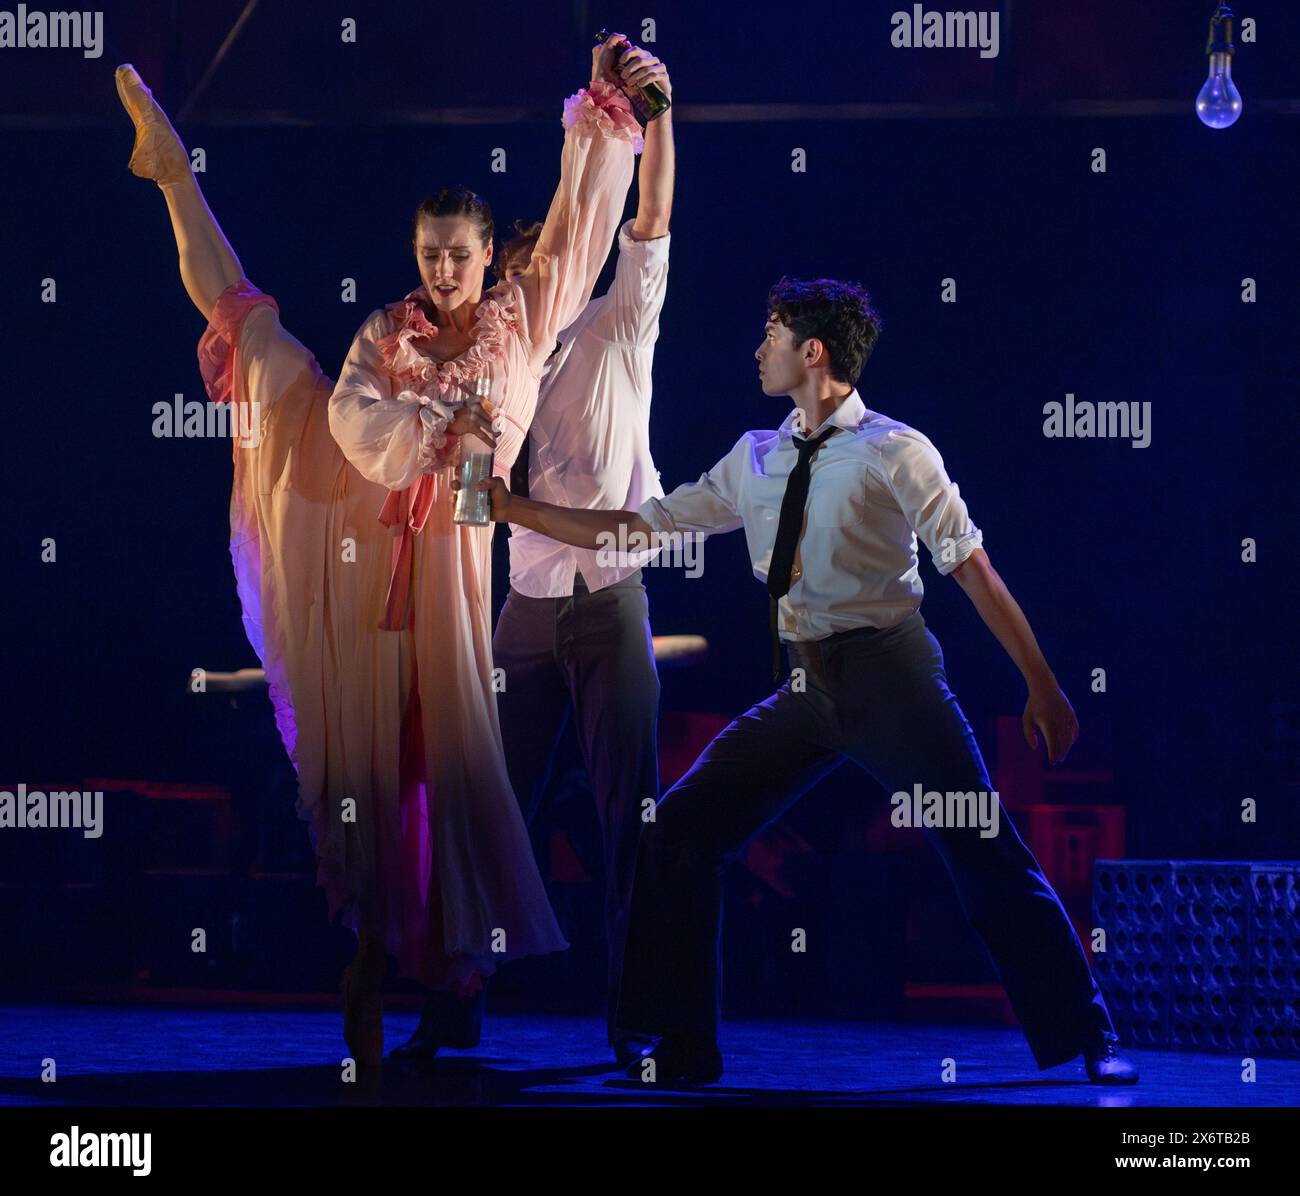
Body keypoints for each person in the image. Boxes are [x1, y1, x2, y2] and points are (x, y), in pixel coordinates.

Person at [464, 276, 1141, 1087]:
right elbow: (636, 527)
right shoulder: (755, 456)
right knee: (679, 832)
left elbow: (975, 571)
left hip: (894, 679)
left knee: (983, 850)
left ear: (811, 352)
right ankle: (682, 1048)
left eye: (771, 334)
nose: (757, 349)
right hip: (806, 688)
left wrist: (1043, 684)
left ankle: (1088, 1032)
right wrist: (516, 510)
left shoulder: (897, 450)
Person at [113, 33, 641, 1067]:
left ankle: (450, 973)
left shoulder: (519, 320)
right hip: (366, 547)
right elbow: (357, 422)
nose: (443, 269)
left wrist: (599, 123)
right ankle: (173, 176)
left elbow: (579, 234)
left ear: (488, 253)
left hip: (452, 573)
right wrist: (429, 435)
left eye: (459, 252)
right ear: (415, 253)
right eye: (429, 252)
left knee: (441, 772)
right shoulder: (383, 334)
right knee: (259, 347)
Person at [394, 45, 675, 1068]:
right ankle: (453, 1000)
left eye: (526, 270)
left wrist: (655, 111)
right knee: (477, 805)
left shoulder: (617, 321)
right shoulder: (501, 368)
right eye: (504, 276)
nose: (517, 287)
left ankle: (633, 1014)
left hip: (605, 599)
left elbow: (644, 219)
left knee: (628, 819)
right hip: (521, 604)